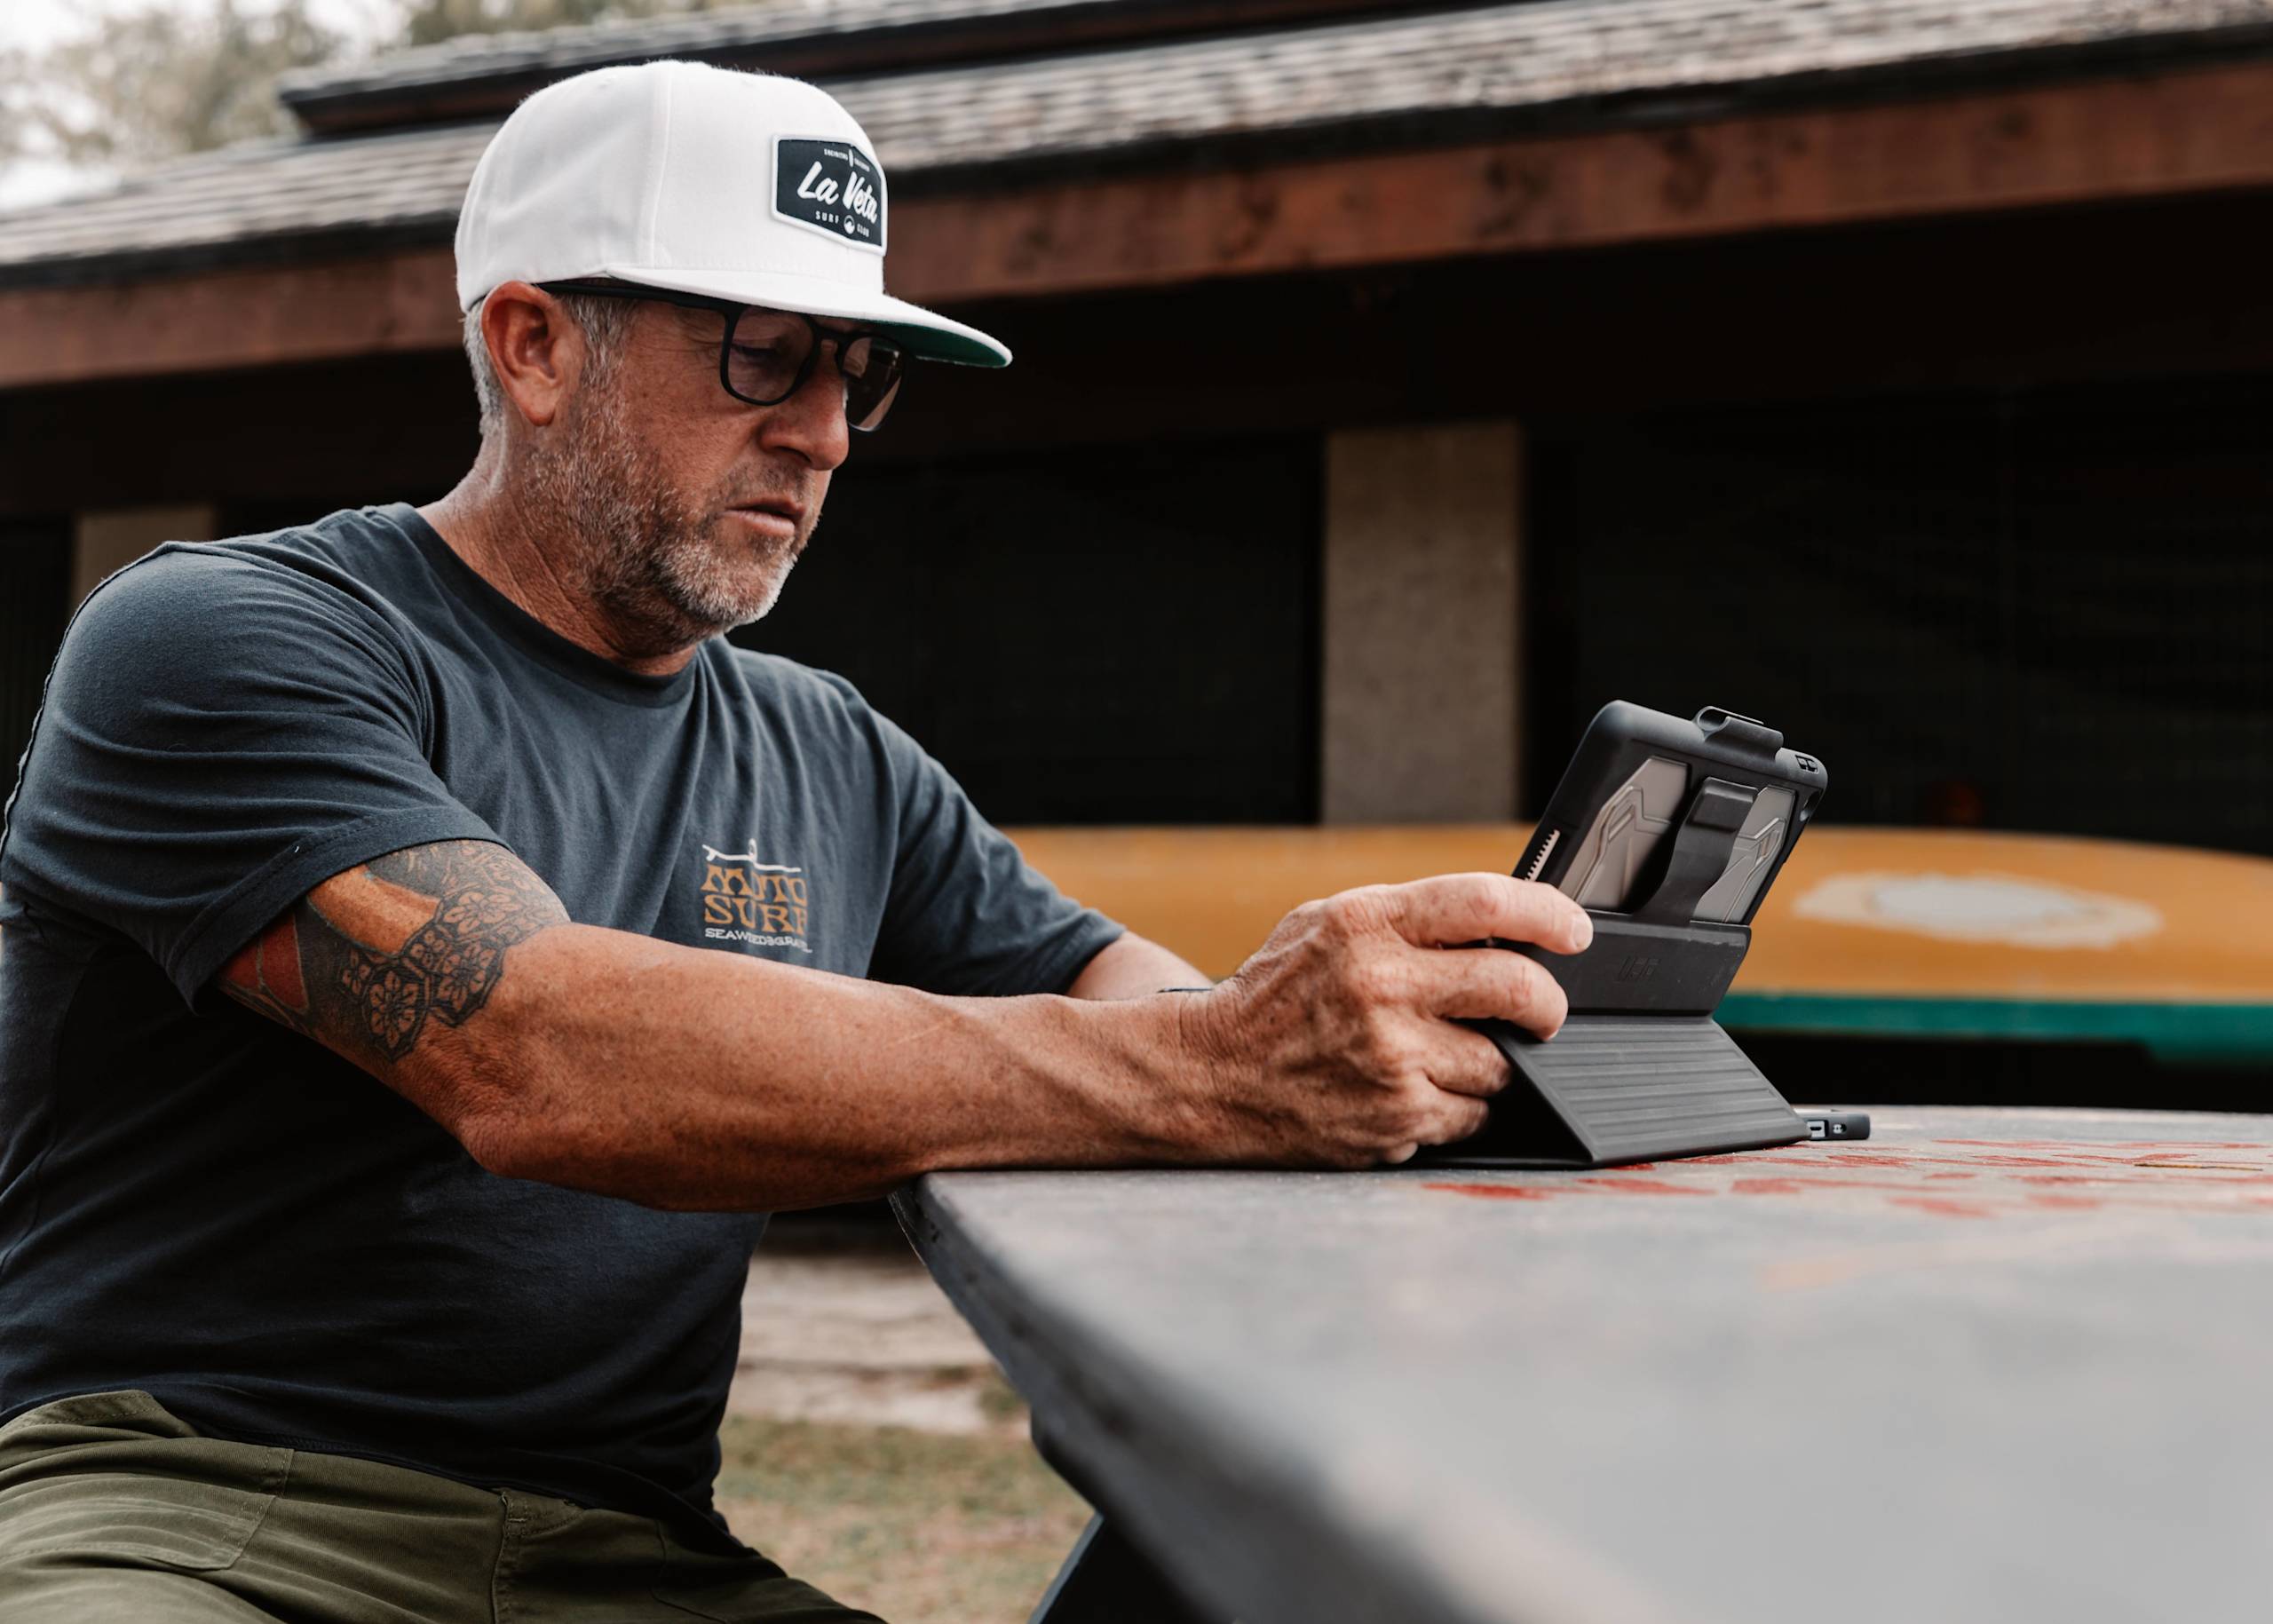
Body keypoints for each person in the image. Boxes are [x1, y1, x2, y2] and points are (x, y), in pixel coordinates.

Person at [0, 61, 1589, 1624]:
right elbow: (536, 1052)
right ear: (535, 344)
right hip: (183, 1508)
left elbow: (1142, 1004)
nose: (827, 434)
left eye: (858, 375)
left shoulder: (829, 749)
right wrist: (1221, 1062)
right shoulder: (219, 641)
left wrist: (1368, 1042)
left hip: (632, 1555)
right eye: (765, 358)